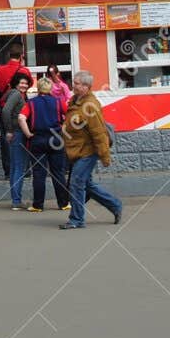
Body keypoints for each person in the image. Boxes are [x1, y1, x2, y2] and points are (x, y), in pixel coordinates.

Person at [60, 71, 121, 229]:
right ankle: (115, 205)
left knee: (76, 182)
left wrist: (105, 157)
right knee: (87, 185)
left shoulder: (90, 105)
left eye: (77, 83)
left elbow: (99, 132)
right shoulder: (75, 101)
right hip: (76, 151)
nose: (74, 85)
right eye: (74, 82)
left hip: (87, 152)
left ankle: (77, 219)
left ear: (86, 86)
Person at [25, 76, 69, 212]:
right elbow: (69, 116)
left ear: (38, 88)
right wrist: (63, 130)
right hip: (56, 139)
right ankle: (64, 204)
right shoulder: (58, 101)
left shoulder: (31, 103)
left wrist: (28, 134)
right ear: (50, 88)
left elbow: (21, 118)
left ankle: (38, 205)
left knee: (39, 173)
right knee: (58, 172)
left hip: (37, 140)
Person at [0, 42, 30, 180]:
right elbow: (28, 86)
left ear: (8, 55)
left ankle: (8, 172)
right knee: (24, 137)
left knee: (6, 140)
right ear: (21, 55)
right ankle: (25, 170)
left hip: (5, 108)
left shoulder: (0, 70)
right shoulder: (24, 71)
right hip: (22, 109)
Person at [0, 70, 34, 208]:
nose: (24, 85)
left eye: (26, 83)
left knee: (15, 167)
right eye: (22, 83)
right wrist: (9, 130)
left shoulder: (17, 94)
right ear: (16, 84)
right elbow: (6, 111)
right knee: (18, 167)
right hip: (18, 133)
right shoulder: (16, 94)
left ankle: (15, 200)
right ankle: (16, 201)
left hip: (16, 133)